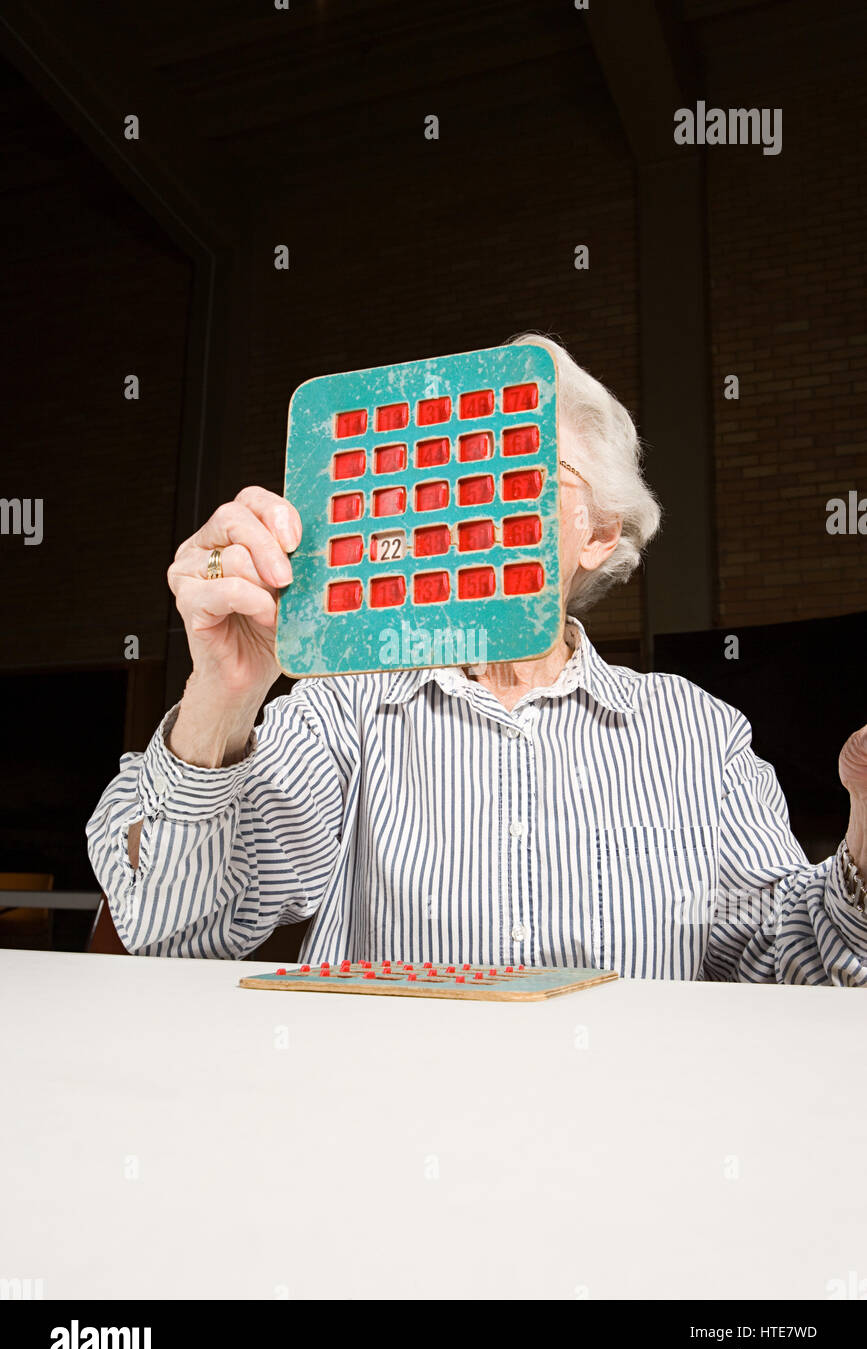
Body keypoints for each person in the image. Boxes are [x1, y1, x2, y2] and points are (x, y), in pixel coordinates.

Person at [86, 333, 867, 982]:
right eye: (448, 462)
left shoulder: (695, 732)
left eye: (521, 461)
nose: (469, 490)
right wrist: (222, 691)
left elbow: (791, 958)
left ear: (597, 534)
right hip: (377, 1127)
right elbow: (165, 932)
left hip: (622, 1133)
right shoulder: (346, 704)